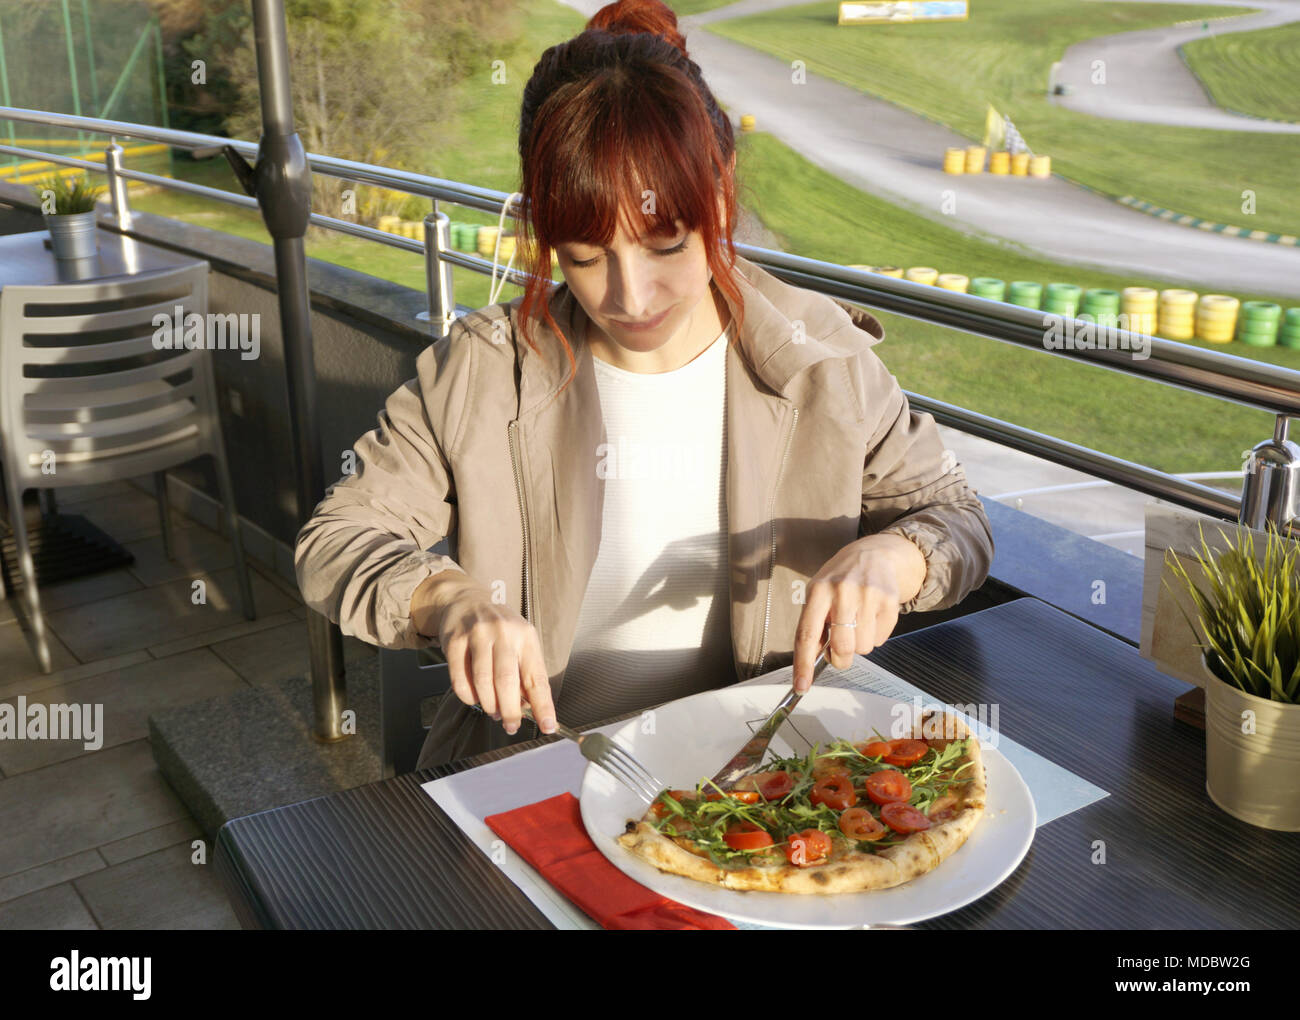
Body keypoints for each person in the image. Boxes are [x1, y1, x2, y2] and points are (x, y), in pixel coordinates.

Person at [294, 0, 994, 771]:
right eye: (585, 256)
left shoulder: (824, 360)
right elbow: (336, 540)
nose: (630, 297)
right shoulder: (482, 371)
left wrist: (895, 560)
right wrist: (446, 601)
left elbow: (957, 517)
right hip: (539, 774)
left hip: (765, 779)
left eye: (665, 246)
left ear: (720, 201)